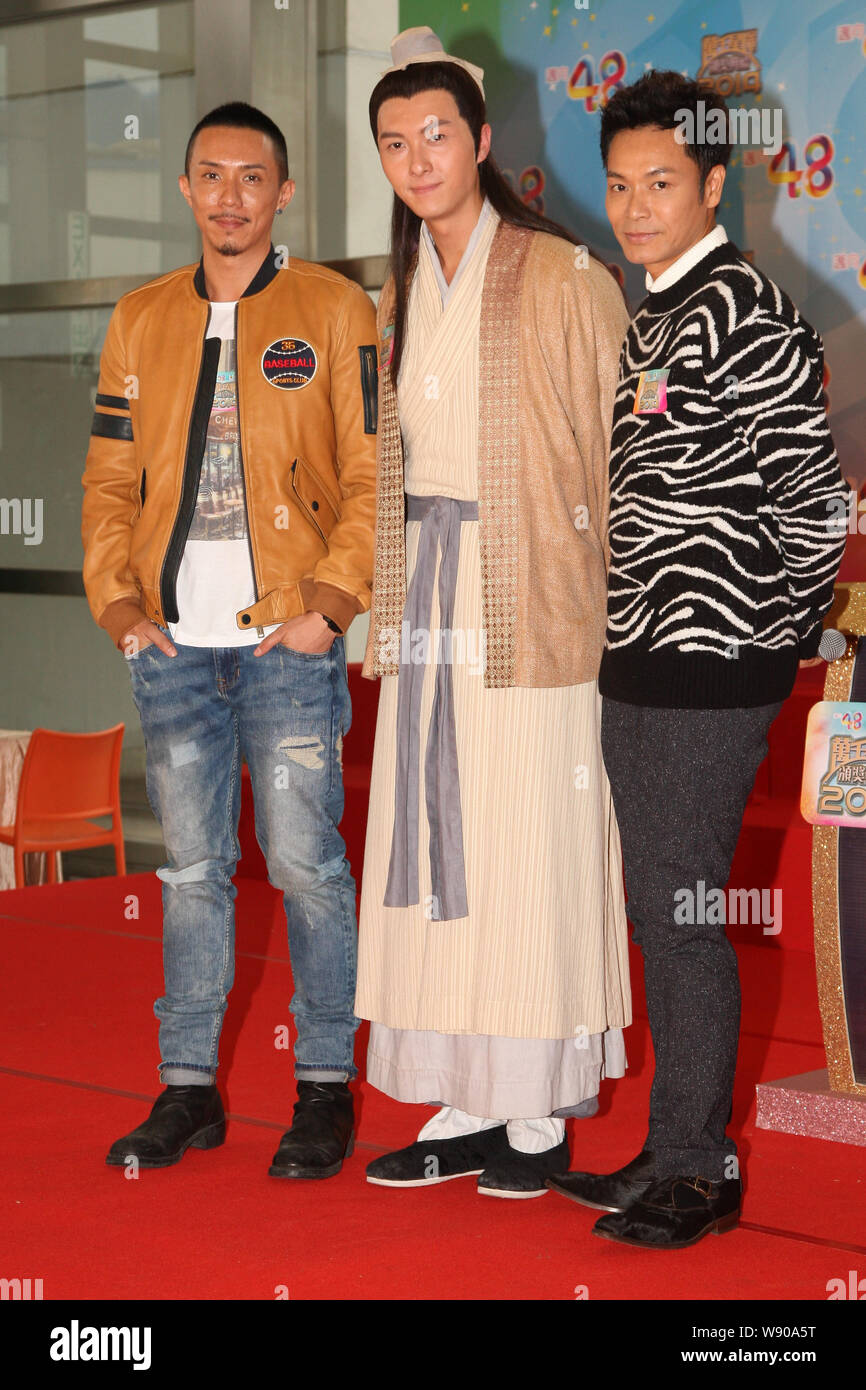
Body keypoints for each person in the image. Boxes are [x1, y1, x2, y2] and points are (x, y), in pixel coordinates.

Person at [547, 71, 849, 1246]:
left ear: (713, 182)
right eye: (617, 186)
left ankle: (699, 1173)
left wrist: (755, 648)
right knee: (656, 912)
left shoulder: (750, 312)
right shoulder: (655, 312)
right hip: (636, 665)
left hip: (707, 676)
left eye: (658, 184)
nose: (631, 208)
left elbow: (816, 508)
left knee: (680, 910)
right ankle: (674, 1147)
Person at [355, 27, 632, 1199]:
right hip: (425, 592)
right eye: (391, 144)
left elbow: (621, 452)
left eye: (434, 136)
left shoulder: (562, 273)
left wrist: (618, 601)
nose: (416, 160)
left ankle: (538, 1113)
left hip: (534, 599)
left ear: (479, 141)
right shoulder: (398, 286)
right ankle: (465, 1094)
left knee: (527, 841)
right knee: (434, 840)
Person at [81, 102, 377, 1179]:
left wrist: (330, 605)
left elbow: (369, 476)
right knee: (193, 871)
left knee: (305, 866)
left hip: (284, 645)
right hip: (171, 652)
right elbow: (110, 481)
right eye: (210, 175)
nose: (230, 195)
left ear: (283, 192)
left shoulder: (336, 309)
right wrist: (120, 608)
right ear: (185, 190)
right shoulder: (140, 318)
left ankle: (324, 1090)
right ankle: (188, 1090)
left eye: (252, 177)